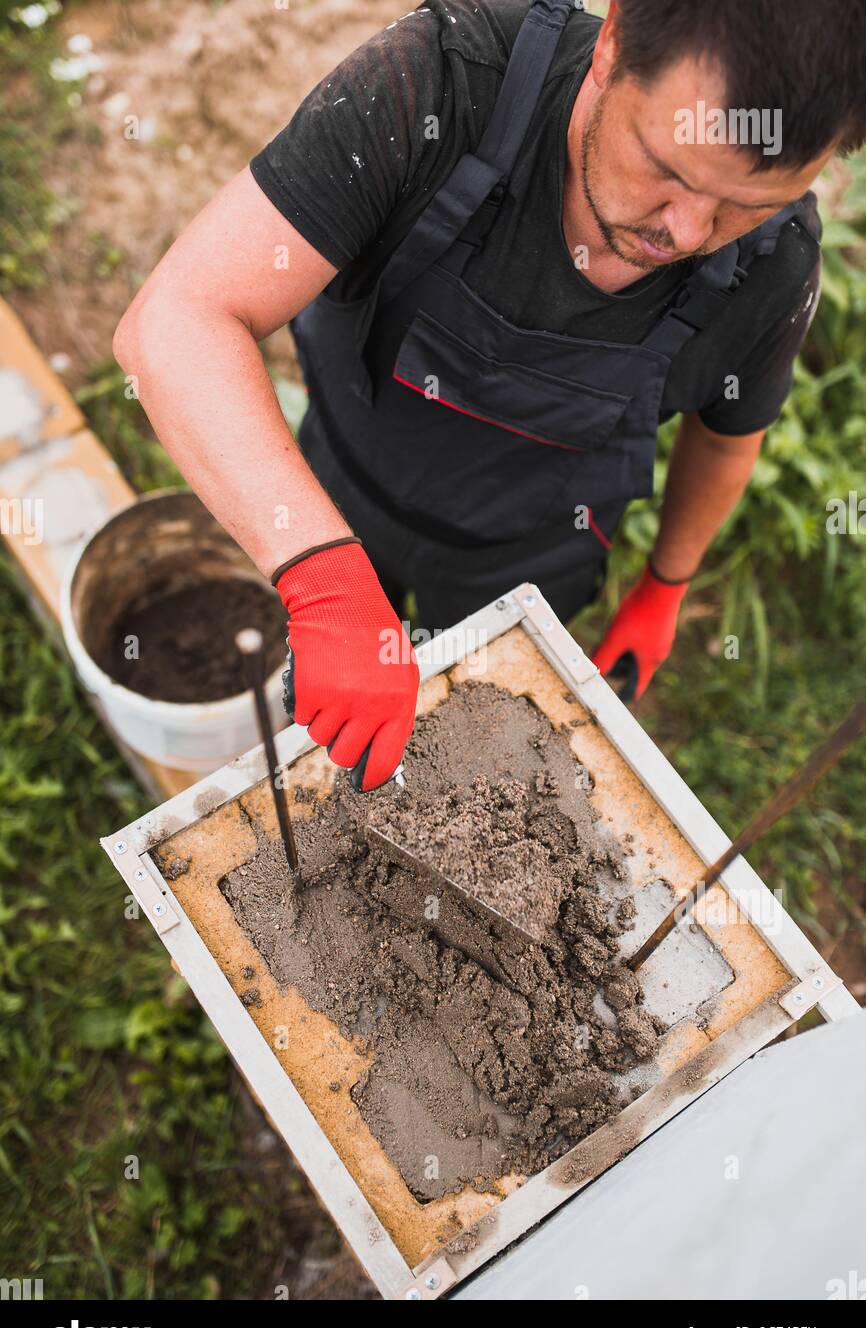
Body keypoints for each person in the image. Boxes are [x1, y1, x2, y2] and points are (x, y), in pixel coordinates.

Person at [113, 0, 866, 788]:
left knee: (460, 773)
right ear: (613, 42)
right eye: (667, 171)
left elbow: (725, 436)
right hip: (344, 483)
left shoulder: (775, 266)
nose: (683, 232)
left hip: (529, 562)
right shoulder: (442, 85)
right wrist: (322, 576)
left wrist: (664, 586)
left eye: (747, 205)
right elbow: (175, 321)